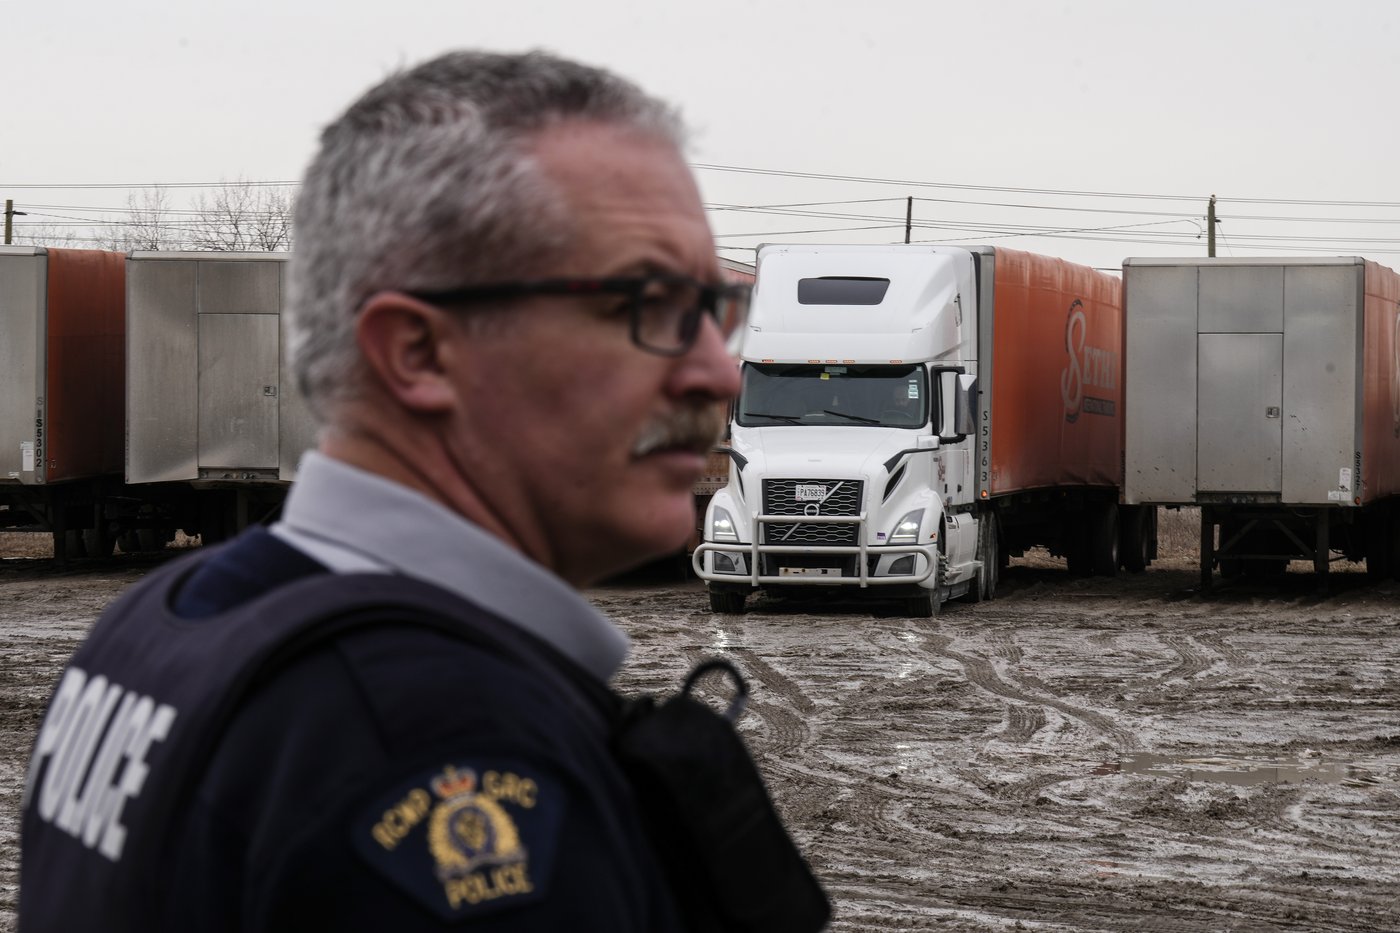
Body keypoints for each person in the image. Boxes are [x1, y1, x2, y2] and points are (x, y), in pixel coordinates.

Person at [19, 51, 811, 931]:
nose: (719, 374)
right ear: (420, 352)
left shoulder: (156, 626)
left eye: (717, 309)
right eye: (650, 305)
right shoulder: (447, 746)